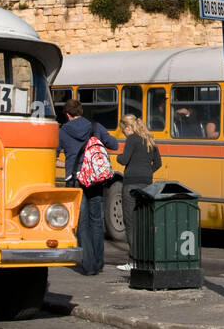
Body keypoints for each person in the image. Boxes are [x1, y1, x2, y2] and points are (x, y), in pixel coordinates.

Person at [57, 98, 119, 275]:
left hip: (75, 179)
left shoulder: (63, 131)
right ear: (81, 112)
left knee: (81, 222)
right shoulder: (95, 127)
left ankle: (88, 264)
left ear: (67, 114)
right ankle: (99, 263)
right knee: (96, 220)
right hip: (95, 178)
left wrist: (67, 165)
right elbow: (113, 144)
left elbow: (54, 154)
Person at [116, 113, 162, 270]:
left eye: (124, 131)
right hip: (147, 184)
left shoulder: (132, 138)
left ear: (128, 127)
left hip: (131, 184)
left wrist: (118, 157)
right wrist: (147, 171)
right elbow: (158, 163)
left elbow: (124, 159)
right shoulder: (149, 138)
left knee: (130, 222)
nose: (125, 134)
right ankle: (147, 259)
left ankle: (133, 261)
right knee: (144, 221)